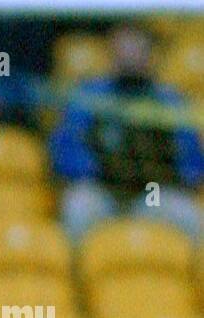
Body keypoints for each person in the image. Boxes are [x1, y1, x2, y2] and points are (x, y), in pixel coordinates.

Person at [51, 24, 204, 241]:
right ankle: (80, 273)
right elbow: (65, 151)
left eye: (137, 48)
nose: (130, 55)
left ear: (150, 54)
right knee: (79, 208)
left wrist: (161, 175)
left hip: (152, 193)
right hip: (103, 191)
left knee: (188, 216)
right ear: (112, 51)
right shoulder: (89, 96)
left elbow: (191, 163)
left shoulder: (170, 102)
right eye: (124, 48)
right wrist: (104, 171)